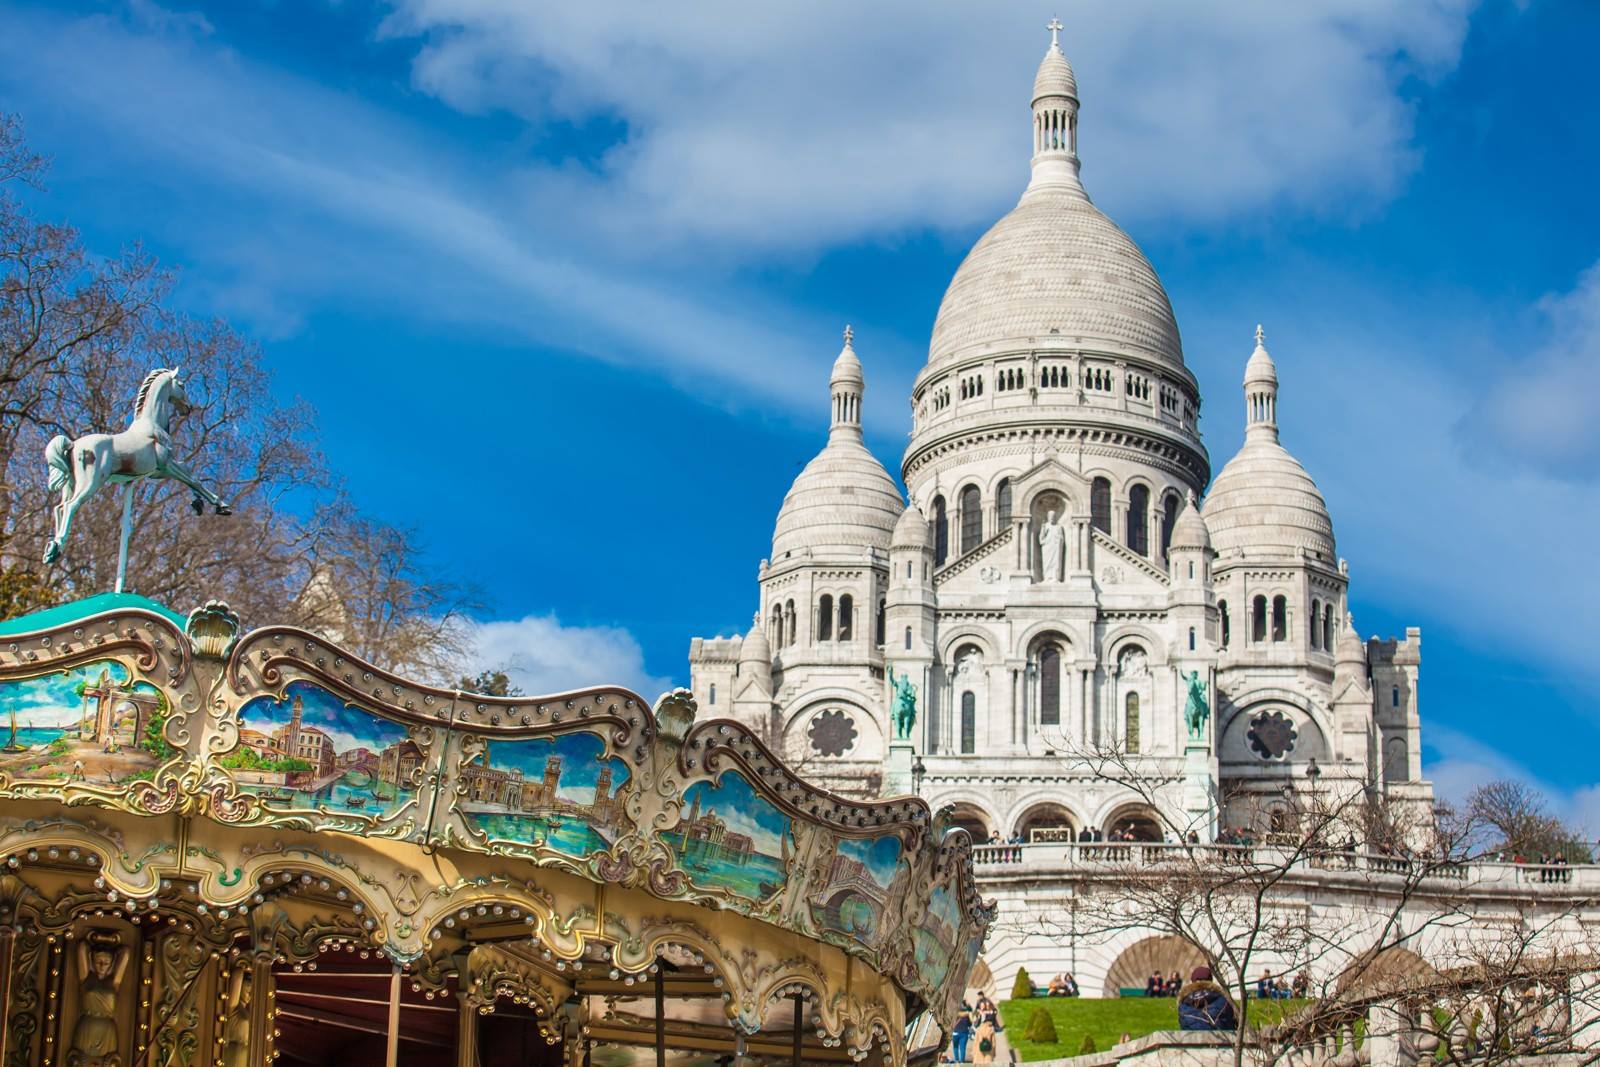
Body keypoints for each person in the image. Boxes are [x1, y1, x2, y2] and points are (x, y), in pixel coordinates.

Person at [1177, 967, 1237, 1031]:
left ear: (1192, 981)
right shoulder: (1222, 1000)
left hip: (1190, 1039)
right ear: (1210, 980)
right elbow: (1229, 1023)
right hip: (1221, 1039)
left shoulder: (1184, 1003)